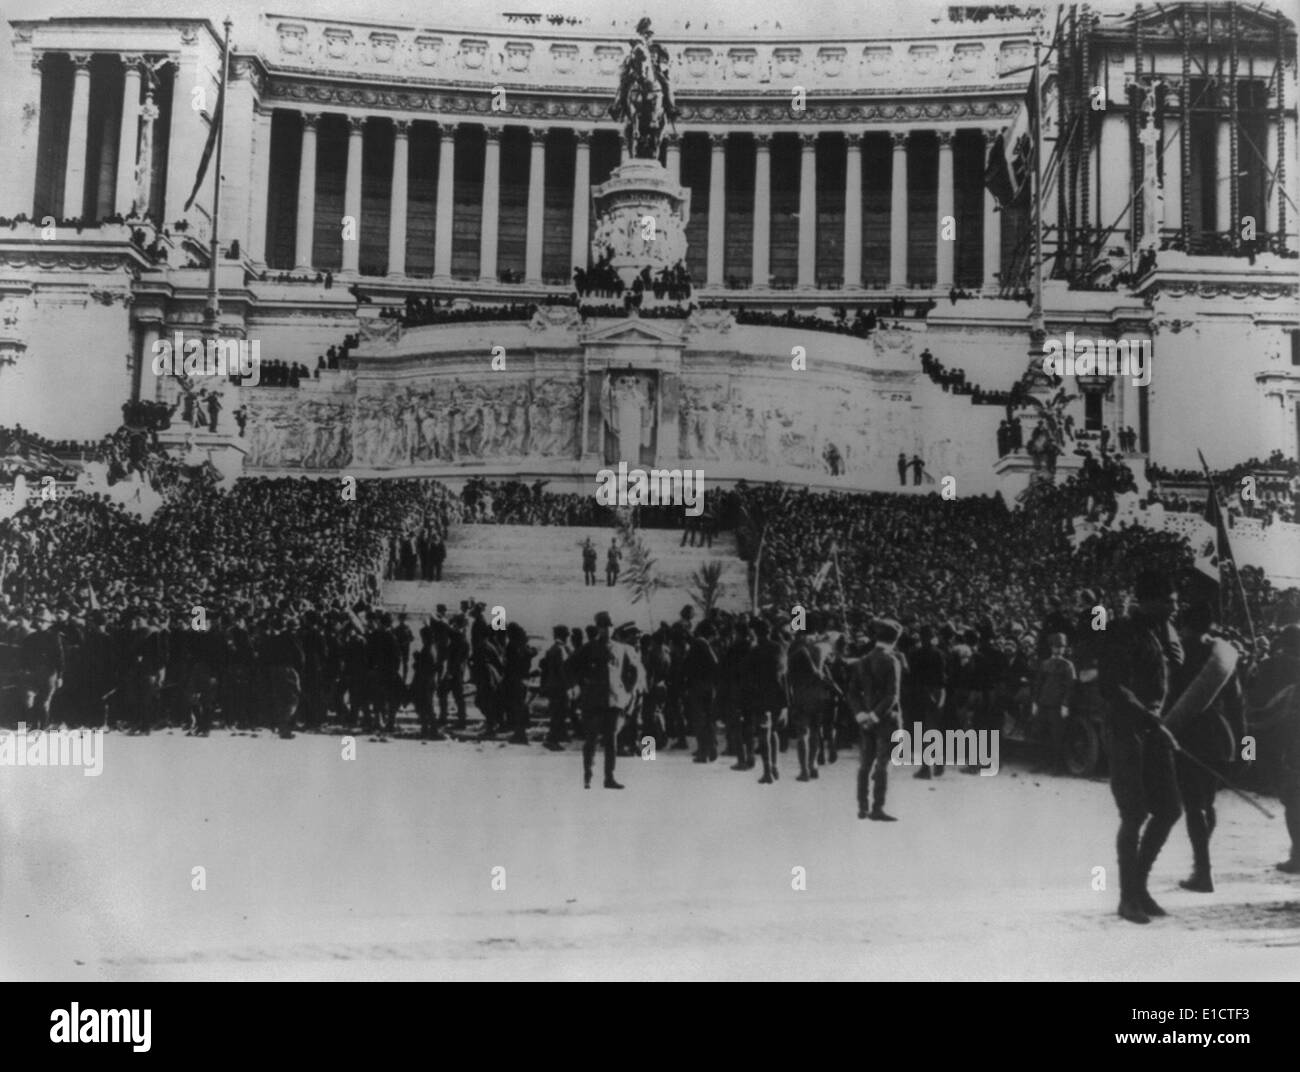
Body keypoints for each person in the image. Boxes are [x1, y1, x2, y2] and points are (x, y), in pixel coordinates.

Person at [1097, 569, 1184, 924]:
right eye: (1169, 602)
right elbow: (1112, 686)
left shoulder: (1157, 632)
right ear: (1148, 601)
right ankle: (1127, 898)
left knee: (1169, 809)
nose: (1174, 608)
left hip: (1151, 731)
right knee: (1134, 814)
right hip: (1126, 731)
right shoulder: (1121, 631)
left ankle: (1139, 887)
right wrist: (1148, 719)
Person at [1163, 600, 1243, 893]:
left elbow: (1167, 696)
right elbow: (1238, 707)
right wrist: (1247, 753)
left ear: (1183, 624)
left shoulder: (1176, 651)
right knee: (1206, 804)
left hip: (1188, 736)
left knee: (1193, 805)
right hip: (1222, 740)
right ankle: (1201, 864)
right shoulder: (1223, 656)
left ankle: (1203, 872)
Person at [1247, 624, 1300, 874]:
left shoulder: (1272, 666)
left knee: (1292, 799)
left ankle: (1297, 855)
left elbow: (1258, 704)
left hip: (1285, 742)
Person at [568, 611, 639, 789]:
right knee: (591, 739)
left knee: (611, 740)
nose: (607, 630)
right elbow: (570, 666)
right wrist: (577, 685)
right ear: (598, 628)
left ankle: (609, 777)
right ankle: (588, 775)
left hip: (614, 699)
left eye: (609, 626)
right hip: (593, 700)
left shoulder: (622, 648)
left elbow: (634, 670)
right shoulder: (588, 648)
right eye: (603, 626)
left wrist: (627, 689)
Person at [849, 619, 904, 821]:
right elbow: (892, 696)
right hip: (886, 719)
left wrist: (861, 714)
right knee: (883, 764)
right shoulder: (892, 661)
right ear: (894, 639)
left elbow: (852, 692)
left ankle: (862, 806)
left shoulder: (863, 660)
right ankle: (877, 808)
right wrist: (875, 715)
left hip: (865, 719)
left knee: (865, 763)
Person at [1032, 633, 1076, 774]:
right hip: (1044, 703)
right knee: (1040, 734)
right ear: (1051, 648)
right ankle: (1041, 763)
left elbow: (1070, 687)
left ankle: (1057, 766)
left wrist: (1065, 705)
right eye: (1056, 647)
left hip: (1057, 706)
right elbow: (1038, 684)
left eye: (1061, 647)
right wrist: (1035, 702)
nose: (1058, 650)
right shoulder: (1045, 664)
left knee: (1057, 737)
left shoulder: (1068, 666)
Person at [540, 625, 571, 751]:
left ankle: (556, 737)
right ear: (564, 636)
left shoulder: (553, 649)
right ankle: (552, 740)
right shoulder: (560, 650)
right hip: (560, 687)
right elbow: (563, 670)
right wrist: (568, 686)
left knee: (556, 714)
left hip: (553, 686)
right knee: (559, 714)